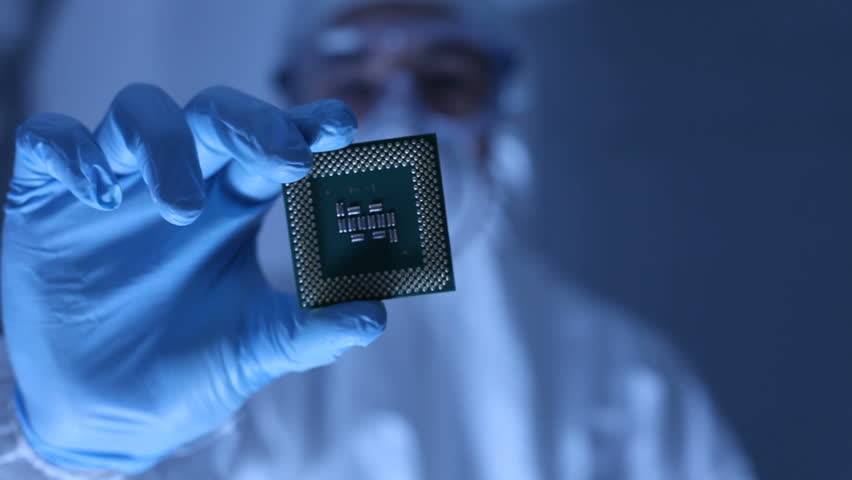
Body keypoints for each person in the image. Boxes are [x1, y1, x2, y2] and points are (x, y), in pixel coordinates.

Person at [0, 1, 756, 479]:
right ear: (293, 98)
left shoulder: (627, 382)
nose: (399, 111)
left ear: (503, 112)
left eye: (445, 77)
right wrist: (77, 453)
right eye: (352, 79)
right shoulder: (204, 339)